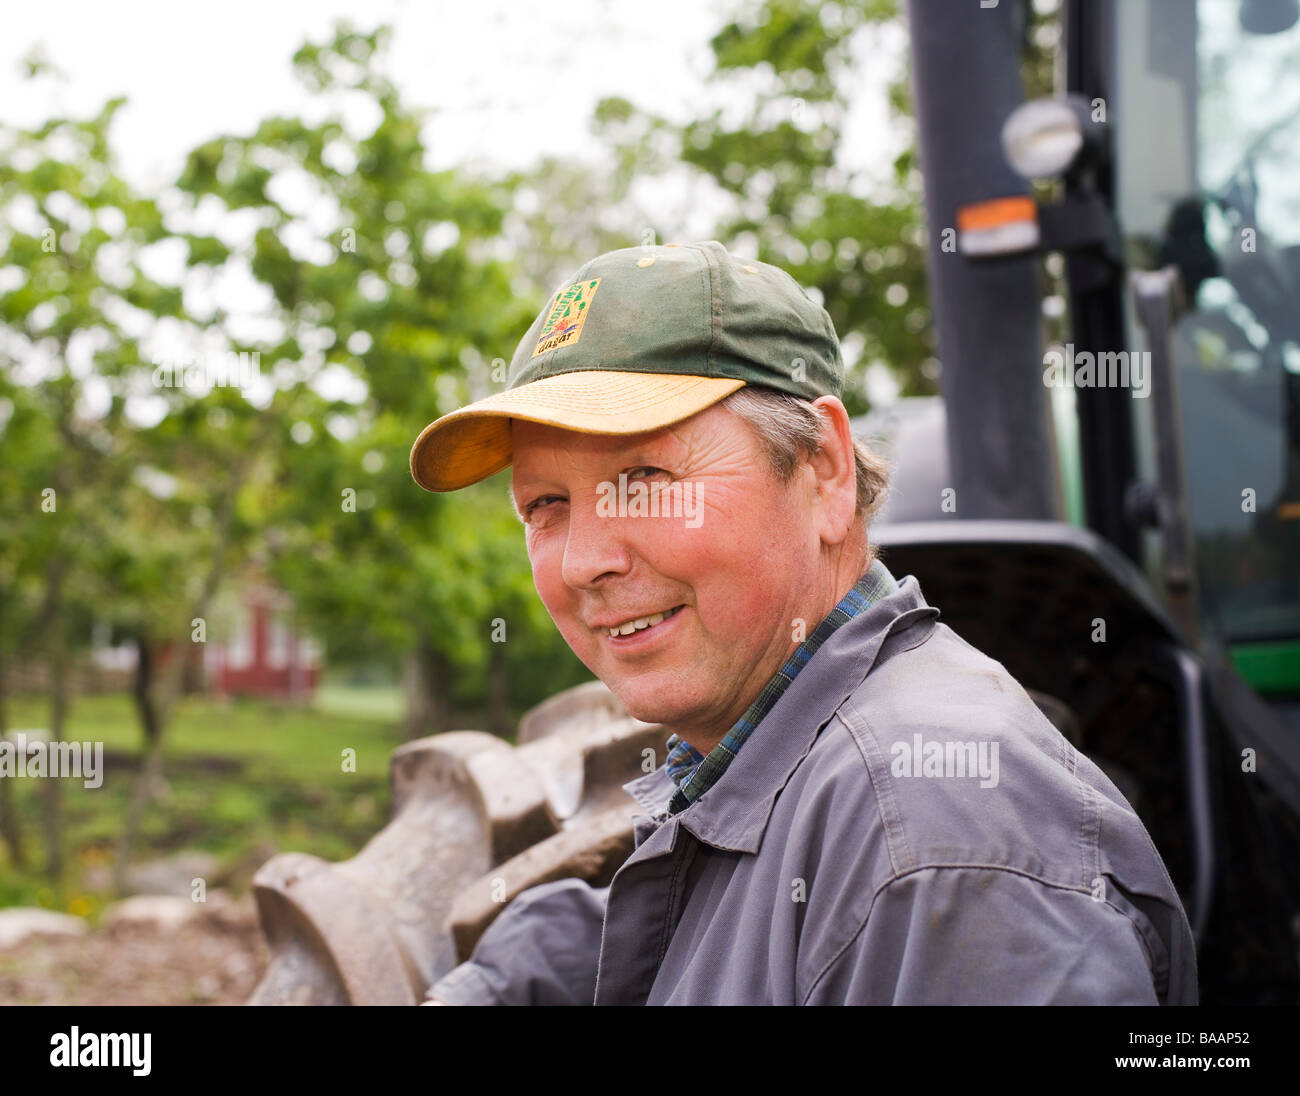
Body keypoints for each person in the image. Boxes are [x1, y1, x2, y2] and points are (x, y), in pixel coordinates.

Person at [408, 240, 1197, 1005]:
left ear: (824, 469)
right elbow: (719, 929)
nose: (584, 562)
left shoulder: (937, 844)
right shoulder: (769, 759)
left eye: (644, 478)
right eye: (547, 506)